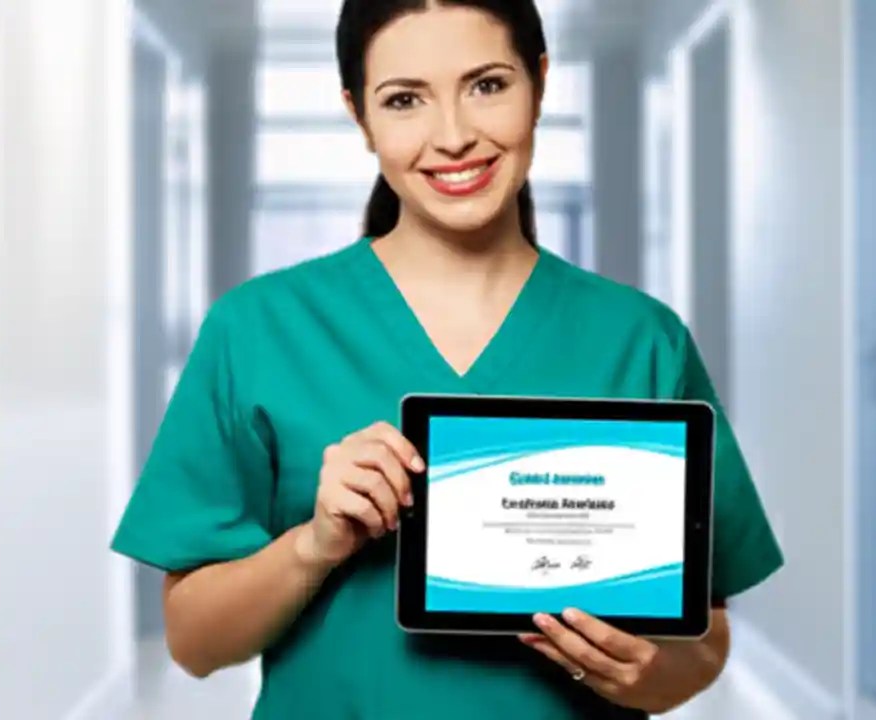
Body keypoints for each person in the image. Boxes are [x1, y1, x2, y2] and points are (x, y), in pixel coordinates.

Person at [110, 1, 784, 717]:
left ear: (541, 82)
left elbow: (703, 641)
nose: (455, 136)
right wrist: (316, 543)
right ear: (359, 115)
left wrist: (644, 674)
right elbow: (193, 642)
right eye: (404, 100)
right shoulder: (256, 330)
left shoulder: (643, 341)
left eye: (487, 85)